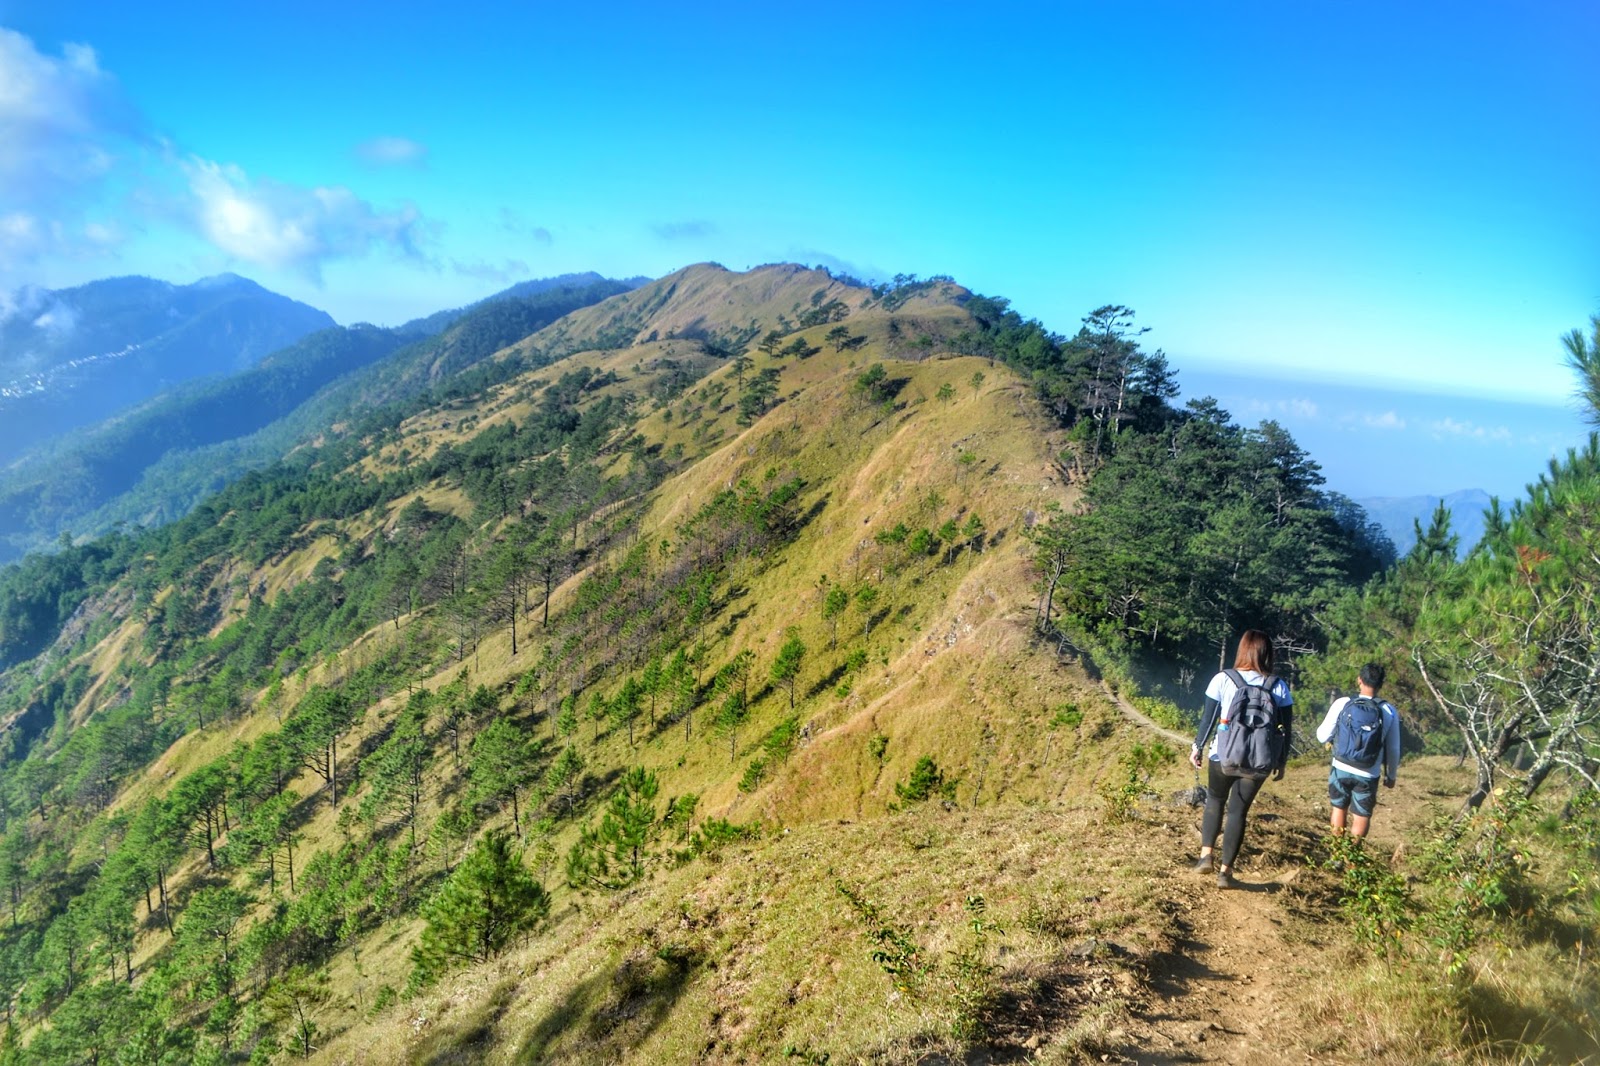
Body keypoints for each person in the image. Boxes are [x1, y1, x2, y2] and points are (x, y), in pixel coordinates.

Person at [1189, 630, 1294, 889]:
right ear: (1268, 653)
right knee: (1238, 812)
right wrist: (1281, 761)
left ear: (1242, 650)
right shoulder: (1277, 686)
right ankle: (1225, 873)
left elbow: (1208, 718)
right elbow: (1285, 728)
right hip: (1258, 760)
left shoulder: (1223, 679)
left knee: (1215, 800)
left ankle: (1205, 857)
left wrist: (1197, 747)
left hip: (1222, 755)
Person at [1315, 662, 1400, 842]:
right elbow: (1393, 748)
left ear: (1359, 680)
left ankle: (1338, 852)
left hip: (1340, 767)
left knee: (1339, 808)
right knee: (1362, 814)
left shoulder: (1343, 703)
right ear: (1381, 684)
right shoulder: (1388, 711)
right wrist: (1390, 775)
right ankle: (1353, 859)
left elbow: (1322, 736)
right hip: (1369, 773)